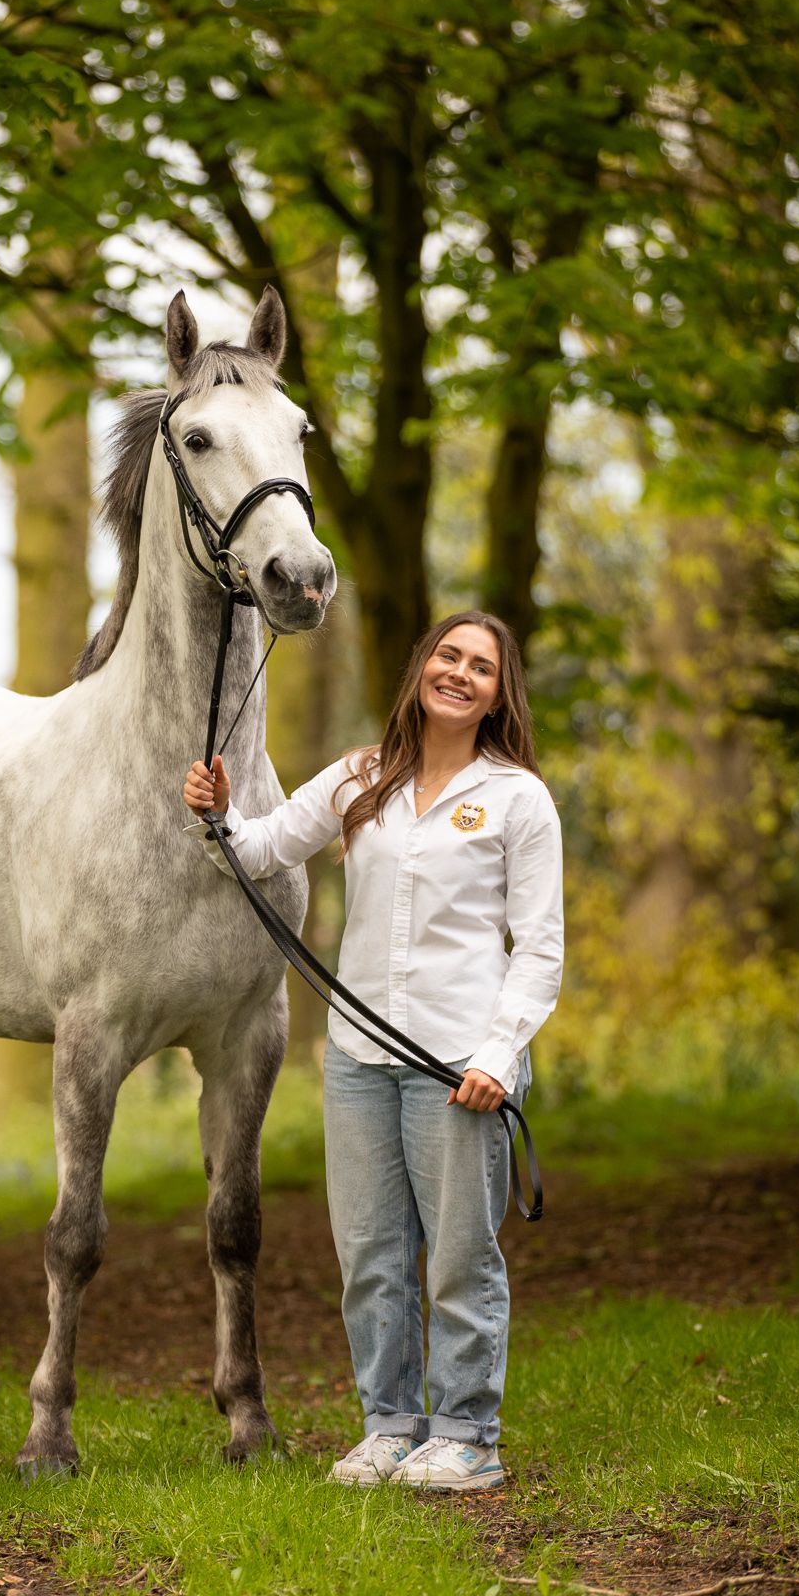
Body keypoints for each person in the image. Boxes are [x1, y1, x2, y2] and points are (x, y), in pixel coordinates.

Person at [182, 610, 563, 1492]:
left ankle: (466, 1435)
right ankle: (390, 1426)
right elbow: (262, 848)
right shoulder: (361, 776)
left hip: (458, 1065)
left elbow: (540, 948)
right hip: (358, 1060)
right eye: (447, 656)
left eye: (480, 667)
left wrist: (497, 1056)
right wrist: (217, 814)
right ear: (420, 667)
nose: (459, 673)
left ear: (499, 694)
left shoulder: (518, 799)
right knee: (369, 1255)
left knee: (459, 1257)